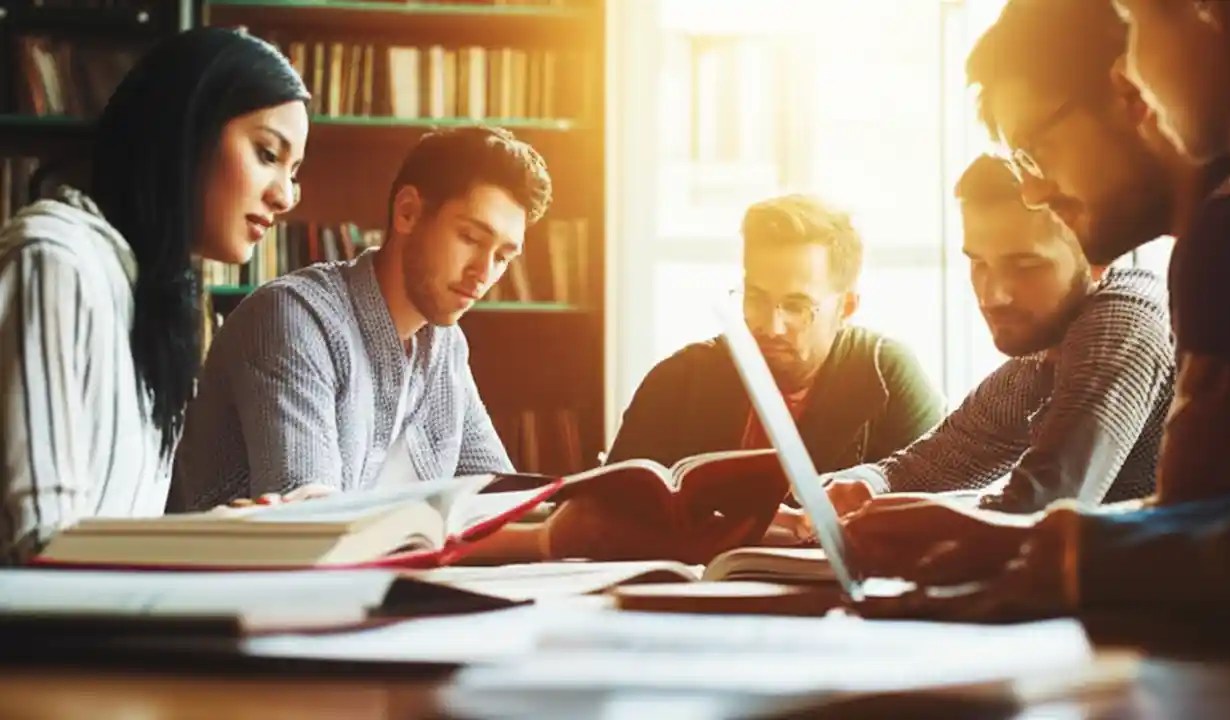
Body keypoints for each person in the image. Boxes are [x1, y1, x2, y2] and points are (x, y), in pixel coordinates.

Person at [844, 0, 1230, 621]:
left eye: (1034, 149)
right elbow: (1226, 517)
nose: (1032, 191)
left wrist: (1059, 551)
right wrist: (1018, 542)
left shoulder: (1222, 248)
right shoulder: (1225, 237)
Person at [170, 125, 756, 563]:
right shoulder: (294, 319)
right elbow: (311, 528)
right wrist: (548, 541)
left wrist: (704, 520)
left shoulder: (444, 344)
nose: (484, 272)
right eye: (472, 238)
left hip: (356, 609)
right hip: (220, 619)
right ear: (407, 211)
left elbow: (499, 494)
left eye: (503, 255)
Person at [0, 28, 310, 564]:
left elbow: (117, 530)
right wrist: (217, 539)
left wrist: (242, 531)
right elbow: (44, 546)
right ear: (184, 133)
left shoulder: (157, 299)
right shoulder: (54, 259)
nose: (285, 196)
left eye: (294, 172)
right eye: (267, 154)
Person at [812, 154, 1173, 518]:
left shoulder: (1123, 320)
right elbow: (944, 456)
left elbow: (1037, 509)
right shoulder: (1046, 349)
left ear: (1097, 257)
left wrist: (883, 516)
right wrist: (849, 491)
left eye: (1026, 266)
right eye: (979, 263)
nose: (992, 295)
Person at [607, 194, 943, 474]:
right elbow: (602, 511)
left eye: (796, 306)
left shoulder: (888, 379)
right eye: (755, 298)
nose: (770, 327)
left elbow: (936, 514)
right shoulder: (680, 380)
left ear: (846, 307)